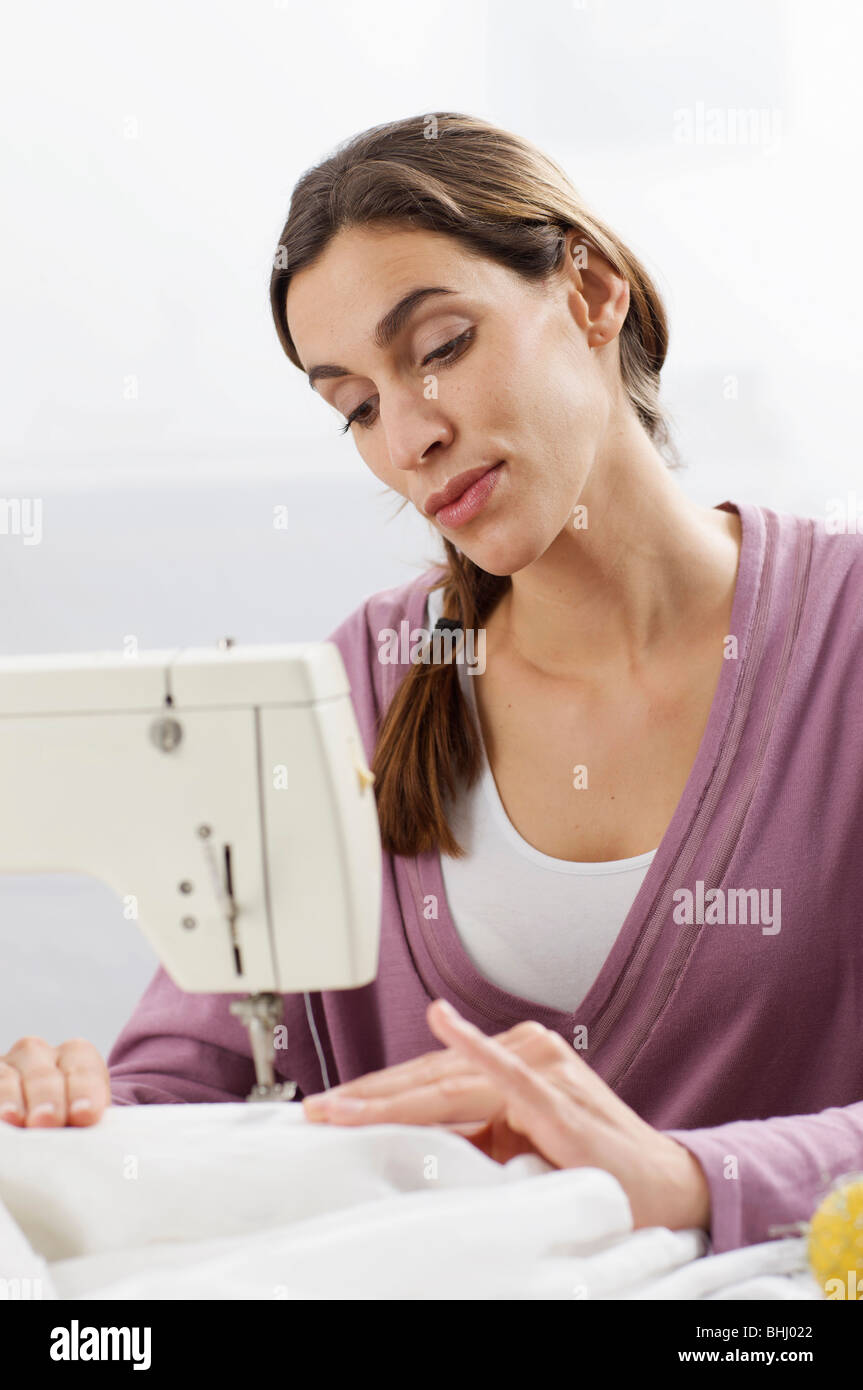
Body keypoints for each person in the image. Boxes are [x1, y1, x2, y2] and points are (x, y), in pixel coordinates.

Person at [2, 113, 862, 1259]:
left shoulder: (840, 645)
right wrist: (69, 1102)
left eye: (442, 344)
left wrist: (683, 1177)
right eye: (353, 406)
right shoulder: (364, 682)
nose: (407, 433)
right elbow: (190, 1086)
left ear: (591, 290)